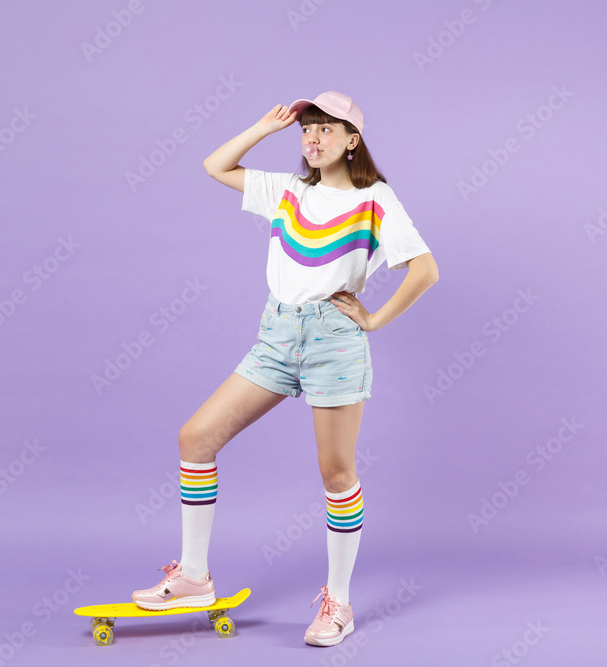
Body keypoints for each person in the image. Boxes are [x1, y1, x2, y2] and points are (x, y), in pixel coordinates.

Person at [131, 91, 439, 647]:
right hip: (276, 336)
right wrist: (263, 127)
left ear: (353, 141)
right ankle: (195, 577)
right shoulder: (287, 189)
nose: (313, 138)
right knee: (196, 438)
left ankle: (337, 604)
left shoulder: (375, 199)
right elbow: (215, 165)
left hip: (333, 343)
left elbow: (425, 269)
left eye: (327, 129)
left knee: (335, 473)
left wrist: (373, 321)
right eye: (307, 129)